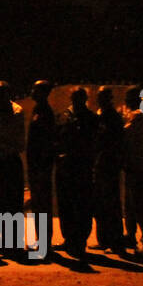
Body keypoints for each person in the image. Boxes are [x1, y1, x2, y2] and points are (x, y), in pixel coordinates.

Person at [55, 87, 97, 260]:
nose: (75, 101)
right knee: (66, 205)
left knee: (82, 206)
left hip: (82, 168)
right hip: (66, 168)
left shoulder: (92, 119)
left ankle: (80, 241)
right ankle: (69, 239)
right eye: (74, 98)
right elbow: (57, 139)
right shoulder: (65, 117)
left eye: (79, 98)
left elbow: (93, 143)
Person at [0, 82, 25, 256]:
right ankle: (3, 237)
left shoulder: (17, 111)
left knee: (13, 203)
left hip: (10, 161)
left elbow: (17, 140)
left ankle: (15, 241)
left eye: (2, 94)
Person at [93, 86, 126, 254]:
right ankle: (104, 240)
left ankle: (116, 241)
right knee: (100, 204)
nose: (99, 99)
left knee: (111, 204)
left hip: (108, 165)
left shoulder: (111, 117)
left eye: (102, 96)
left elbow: (113, 142)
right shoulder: (102, 114)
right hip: (101, 165)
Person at [26, 80, 57, 258]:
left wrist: (41, 168)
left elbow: (46, 144)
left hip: (41, 167)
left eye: (35, 89)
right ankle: (42, 242)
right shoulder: (39, 110)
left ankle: (45, 244)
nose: (32, 92)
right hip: (37, 166)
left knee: (42, 205)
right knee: (38, 206)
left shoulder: (45, 113)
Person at [121, 87, 143, 253]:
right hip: (134, 165)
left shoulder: (138, 116)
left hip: (136, 165)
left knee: (139, 203)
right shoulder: (142, 116)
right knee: (131, 204)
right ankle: (132, 235)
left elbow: (125, 133)